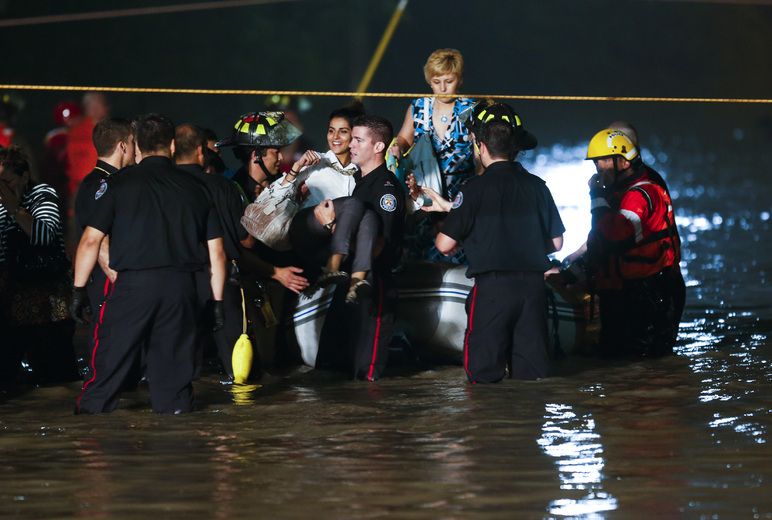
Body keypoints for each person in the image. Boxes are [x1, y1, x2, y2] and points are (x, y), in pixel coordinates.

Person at [69, 113, 226, 414]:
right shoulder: (196, 188)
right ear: (171, 145)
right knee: (175, 384)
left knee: (108, 370)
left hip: (132, 287)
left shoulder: (118, 184)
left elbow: (90, 241)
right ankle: (175, 427)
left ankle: (89, 430)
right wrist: (216, 302)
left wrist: (78, 289)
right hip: (181, 289)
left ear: (137, 146)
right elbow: (217, 253)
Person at [429, 103, 565, 383]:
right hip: (533, 290)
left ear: (481, 146)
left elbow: (443, 245)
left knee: (483, 377)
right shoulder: (538, 186)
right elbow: (556, 242)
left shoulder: (473, 189)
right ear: (516, 147)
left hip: (492, 291)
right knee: (532, 379)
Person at [314, 115, 405, 380]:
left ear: (378, 147)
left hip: (373, 286)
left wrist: (331, 226)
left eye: (358, 140)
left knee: (366, 376)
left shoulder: (386, 188)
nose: (350, 144)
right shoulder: (361, 181)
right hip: (349, 282)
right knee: (330, 370)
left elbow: (378, 246)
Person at [584, 128, 685, 358]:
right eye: (596, 162)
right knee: (616, 360)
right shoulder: (618, 193)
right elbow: (600, 240)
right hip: (629, 289)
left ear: (623, 161)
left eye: (603, 161)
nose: (598, 168)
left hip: (652, 291)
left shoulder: (640, 194)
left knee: (645, 363)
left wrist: (595, 196)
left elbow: (615, 235)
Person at [0, 146, 78, 386]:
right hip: (12, 300)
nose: (3, 189)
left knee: (57, 373)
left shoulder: (41, 194)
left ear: (24, 176)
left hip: (48, 302)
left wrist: (15, 208)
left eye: (7, 182)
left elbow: (44, 235)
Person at [390, 48, 476, 262]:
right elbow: (404, 138)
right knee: (421, 255)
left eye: (449, 81)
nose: (443, 88)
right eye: (437, 82)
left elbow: (481, 156)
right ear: (429, 81)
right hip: (424, 190)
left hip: (461, 193)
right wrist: (397, 147)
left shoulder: (470, 109)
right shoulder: (419, 106)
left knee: (458, 253)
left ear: (460, 80)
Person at [175, 123, 247, 378]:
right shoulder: (223, 186)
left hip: (178, 282)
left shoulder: (164, 186)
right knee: (238, 366)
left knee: (182, 364)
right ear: (200, 151)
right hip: (222, 278)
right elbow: (242, 238)